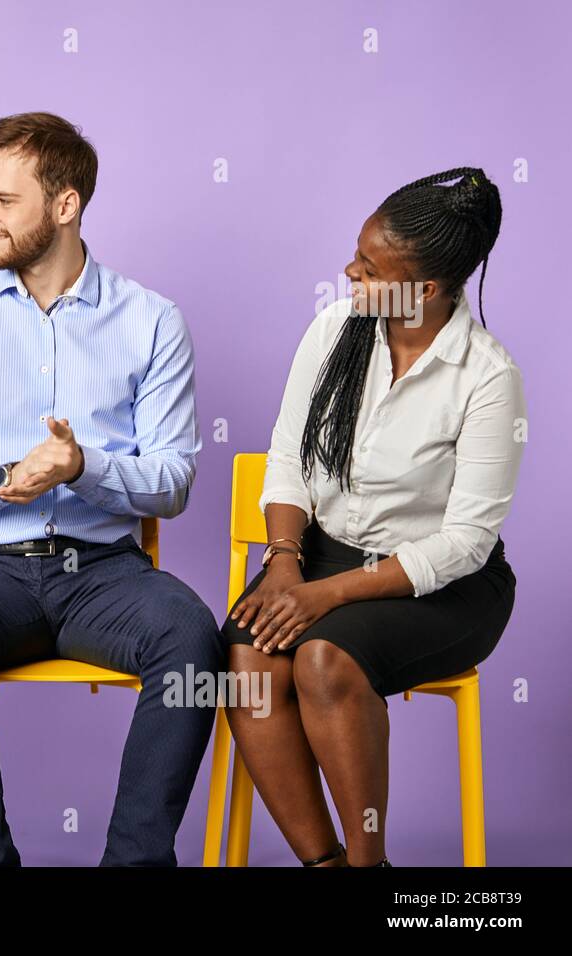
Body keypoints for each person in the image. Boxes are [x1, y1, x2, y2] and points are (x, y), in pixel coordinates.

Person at [0, 112, 224, 866]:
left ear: (65, 205)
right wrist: (2, 478)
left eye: (4, 201)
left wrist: (84, 469)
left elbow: (173, 480)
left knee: (192, 638)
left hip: (104, 573)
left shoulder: (150, 321)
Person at [221, 168, 523, 867]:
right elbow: (289, 460)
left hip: (443, 586)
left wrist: (324, 595)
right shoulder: (336, 327)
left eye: (369, 268)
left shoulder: (486, 376)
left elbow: (466, 543)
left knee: (324, 659)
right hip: (318, 553)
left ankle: (368, 864)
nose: (348, 273)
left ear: (424, 290)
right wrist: (286, 562)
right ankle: (325, 864)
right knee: (246, 658)